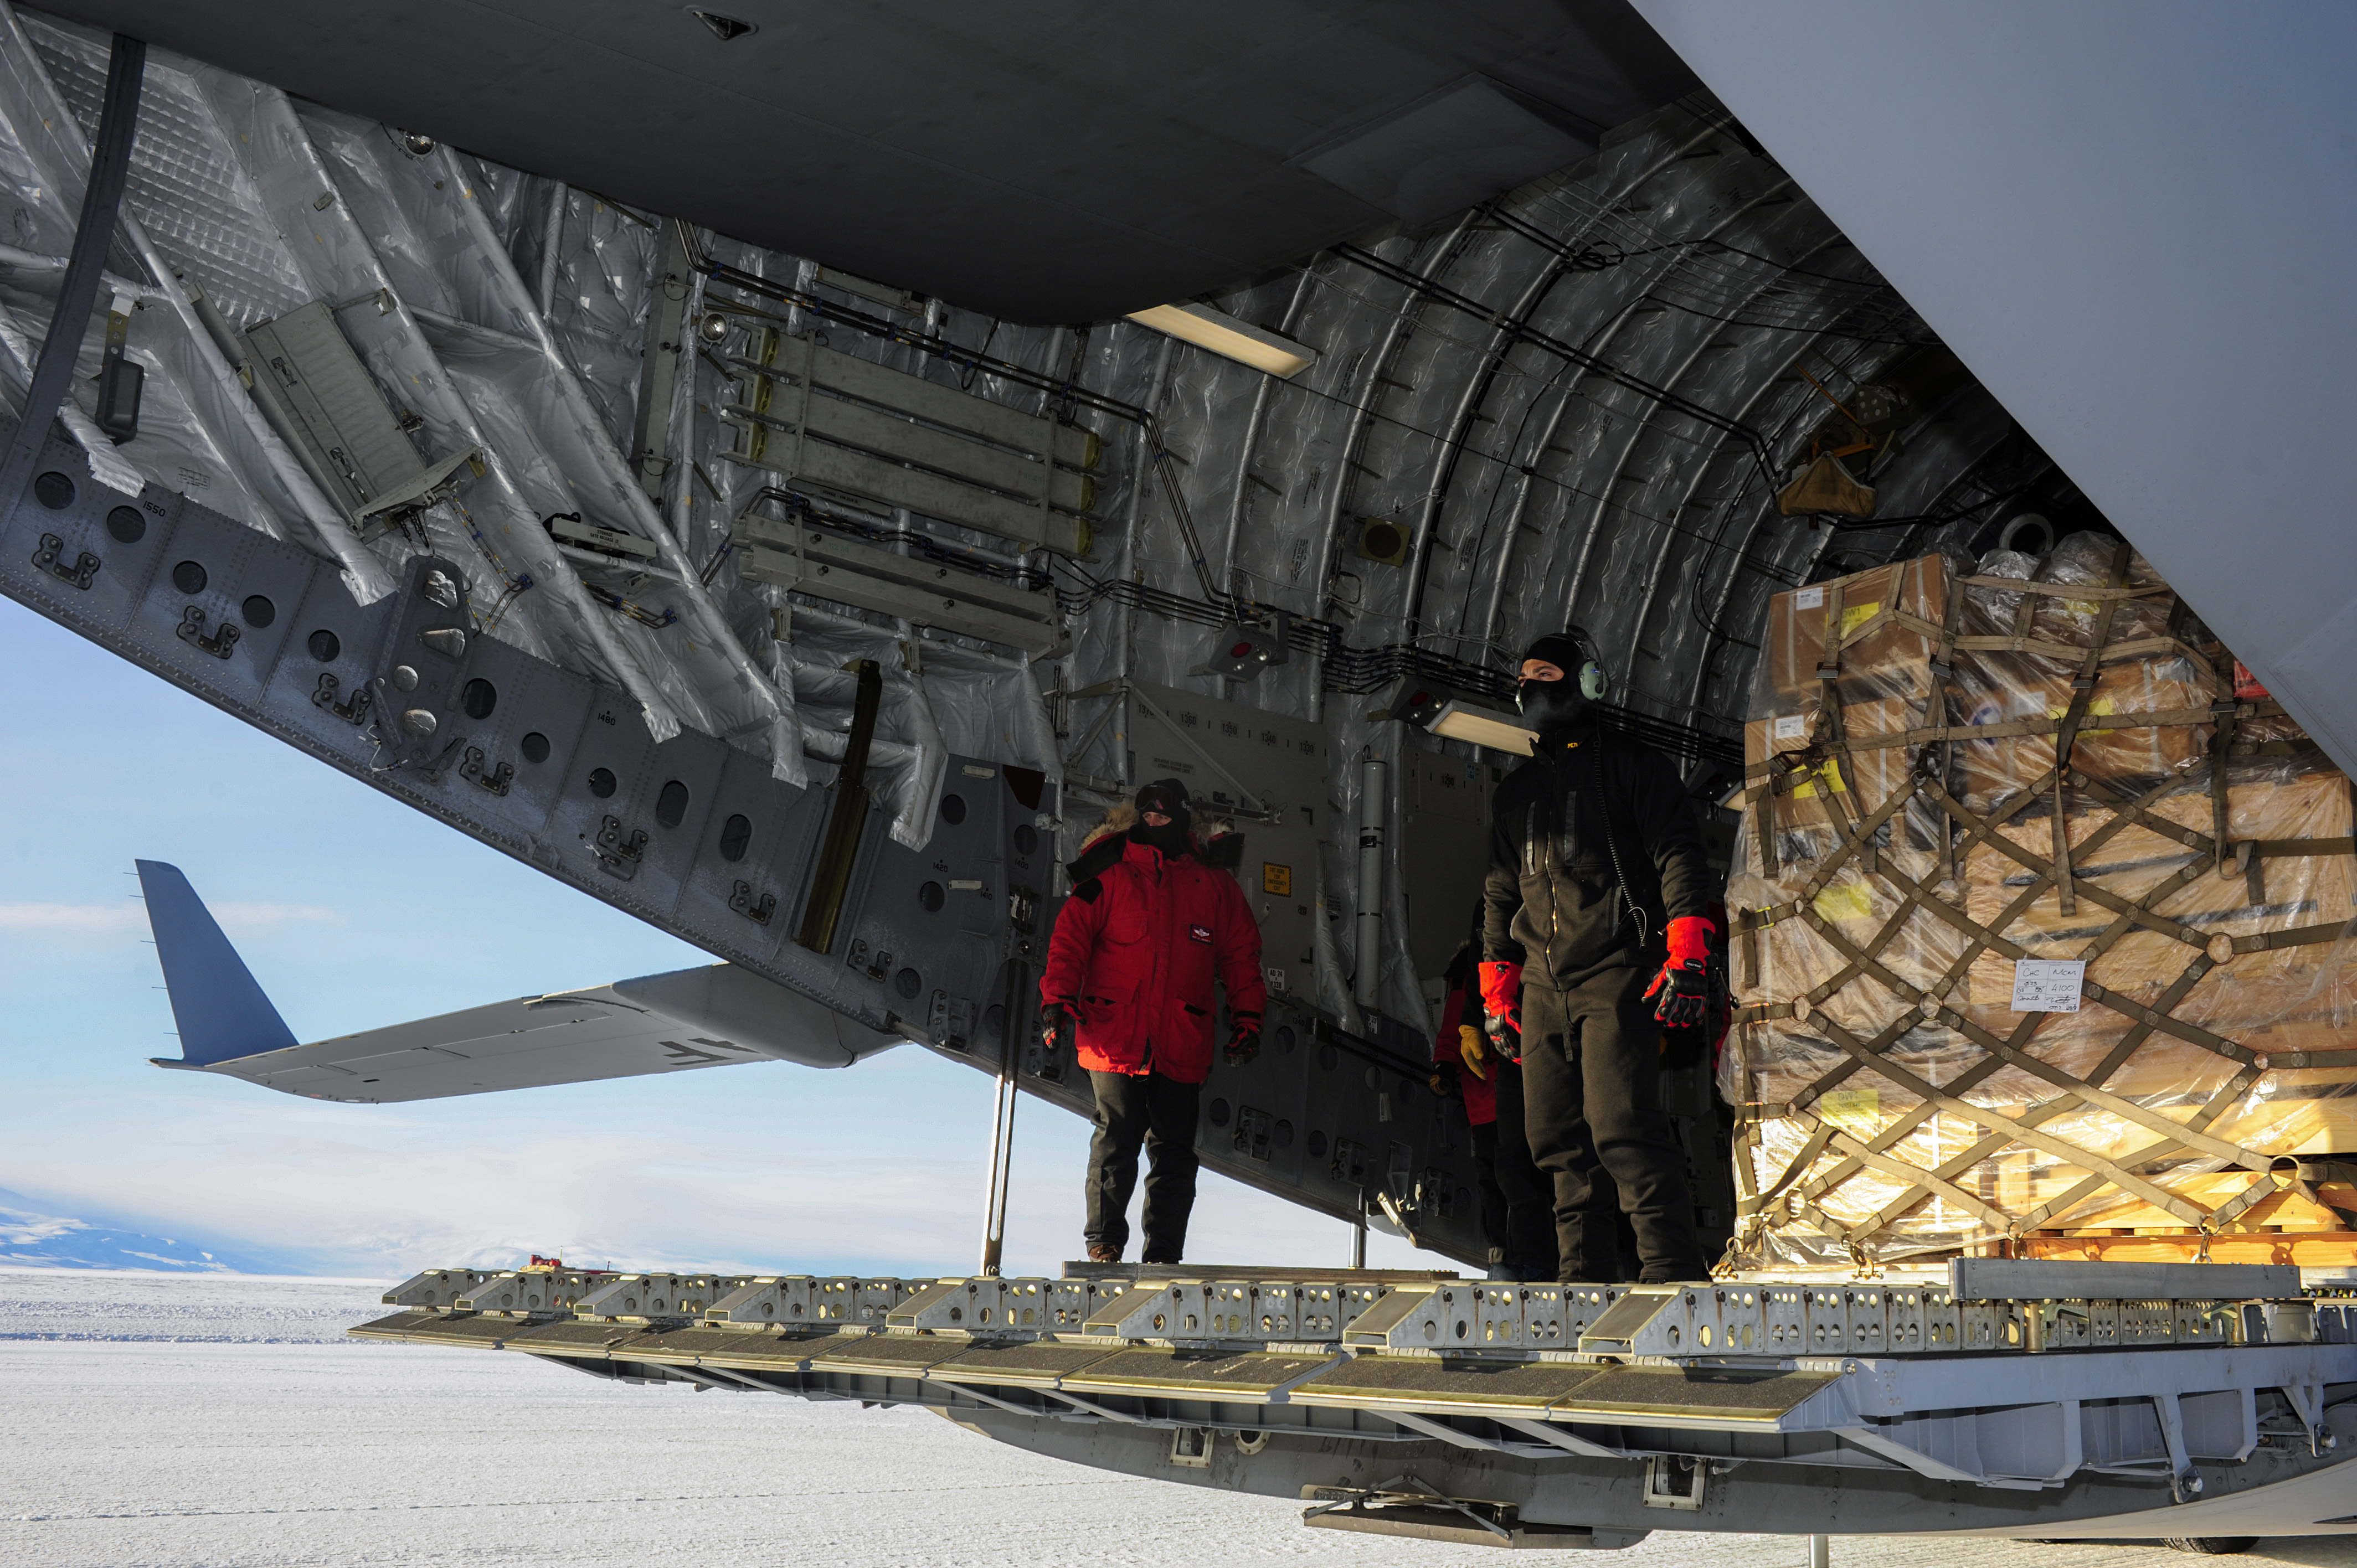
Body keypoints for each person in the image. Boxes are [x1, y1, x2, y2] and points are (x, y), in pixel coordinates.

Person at [1478, 628, 1724, 1285]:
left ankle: (1671, 1273)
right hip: (1540, 986)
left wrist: (1687, 954)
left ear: (1587, 683)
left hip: (1618, 971)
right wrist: (1497, 990)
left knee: (1622, 1129)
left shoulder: (1631, 766)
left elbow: (1678, 858)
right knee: (1554, 1143)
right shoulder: (1514, 793)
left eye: (1545, 673)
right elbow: (1500, 894)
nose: (1530, 685)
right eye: (1523, 675)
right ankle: (1580, 1281)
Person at [1039, 778, 1267, 1265]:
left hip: (1180, 1042)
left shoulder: (1215, 888)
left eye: (1164, 816)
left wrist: (1248, 1017)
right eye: (1147, 814)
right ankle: (1103, 1244)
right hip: (1115, 1038)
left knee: (1175, 1154)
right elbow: (1070, 939)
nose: (1154, 823)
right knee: (1115, 1139)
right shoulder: (1111, 875)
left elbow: (1242, 955)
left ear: (1183, 818)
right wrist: (1055, 999)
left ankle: (1163, 1255)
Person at [1425, 917, 1556, 1281]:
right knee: (1509, 1179)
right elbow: (1456, 1025)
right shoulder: (1477, 975)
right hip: (1494, 1096)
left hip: (1493, 1098)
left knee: (1509, 1180)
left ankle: (1517, 1256)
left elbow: (1454, 1025)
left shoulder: (1469, 977)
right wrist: (1445, 1066)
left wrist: (1444, 1066)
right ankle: (1518, 1256)